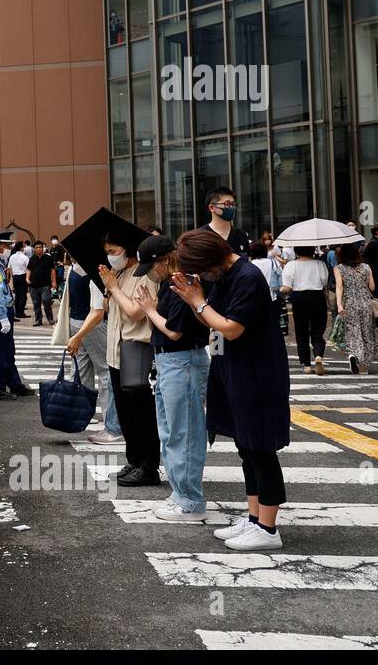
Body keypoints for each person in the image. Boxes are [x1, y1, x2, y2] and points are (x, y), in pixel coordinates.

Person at [172, 228, 291, 551]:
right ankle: (254, 519)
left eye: (198, 267)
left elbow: (230, 328)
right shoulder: (224, 275)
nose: (200, 275)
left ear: (210, 258)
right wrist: (197, 299)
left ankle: (268, 528)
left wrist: (198, 302)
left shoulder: (248, 277)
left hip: (257, 374)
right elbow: (213, 322)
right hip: (234, 370)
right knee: (246, 447)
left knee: (260, 448)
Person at [133, 235, 210, 522]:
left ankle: (190, 500)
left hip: (183, 360)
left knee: (184, 432)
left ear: (164, 260)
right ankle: (181, 494)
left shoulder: (183, 283)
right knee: (169, 432)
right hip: (170, 361)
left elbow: (175, 331)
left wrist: (150, 310)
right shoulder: (170, 284)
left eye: (152, 267)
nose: (151, 273)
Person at [99, 236, 161, 487]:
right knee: (126, 413)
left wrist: (114, 288)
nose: (110, 255)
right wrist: (109, 288)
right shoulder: (119, 273)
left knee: (142, 412)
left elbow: (137, 312)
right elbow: (108, 307)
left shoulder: (144, 274)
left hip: (136, 348)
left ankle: (148, 466)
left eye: (113, 250)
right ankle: (134, 460)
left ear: (128, 249)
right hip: (116, 351)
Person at [53, 259, 123, 445]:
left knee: (81, 372)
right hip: (92, 325)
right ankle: (112, 425)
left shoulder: (74, 269)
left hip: (77, 322)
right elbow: (99, 311)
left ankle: (81, 414)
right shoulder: (94, 272)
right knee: (106, 372)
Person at [0, 230, 34, 401]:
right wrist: (3, 317)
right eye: (7, 246)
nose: (9, 248)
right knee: (1, 351)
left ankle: (15, 384)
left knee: (7, 350)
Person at [282, 246, 329, 375]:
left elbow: (287, 286)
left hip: (299, 297)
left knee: (301, 331)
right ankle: (318, 354)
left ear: (296, 252)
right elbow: (324, 281)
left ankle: (306, 365)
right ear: (312, 250)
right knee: (318, 329)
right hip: (317, 296)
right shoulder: (320, 264)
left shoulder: (291, 265)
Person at [335, 241, 378, 374]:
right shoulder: (366, 267)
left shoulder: (339, 268)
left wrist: (339, 304)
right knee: (366, 332)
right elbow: (372, 287)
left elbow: (339, 287)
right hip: (365, 303)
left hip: (349, 303)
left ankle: (353, 354)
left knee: (353, 331)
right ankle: (364, 365)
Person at [195, 186, 252, 256]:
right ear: (212, 207)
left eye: (233, 204)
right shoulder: (200, 237)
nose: (232, 207)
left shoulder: (241, 235)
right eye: (227, 204)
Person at [26, 241, 57, 327]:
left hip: (45, 285)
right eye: (37, 247)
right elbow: (29, 270)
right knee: (36, 304)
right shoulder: (32, 259)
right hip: (34, 285)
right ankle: (38, 320)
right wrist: (27, 278)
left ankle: (50, 318)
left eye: (40, 247)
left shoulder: (48, 258)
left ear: (43, 248)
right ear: (34, 249)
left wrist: (54, 281)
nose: (39, 249)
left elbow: (53, 270)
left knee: (46, 301)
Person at [8, 241, 31, 319]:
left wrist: (9, 278)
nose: (24, 248)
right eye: (23, 246)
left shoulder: (12, 257)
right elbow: (29, 268)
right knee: (23, 295)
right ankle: (21, 312)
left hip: (15, 277)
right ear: (21, 247)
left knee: (17, 295)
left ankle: (16, 312)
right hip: (23, 276)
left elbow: (9, 268)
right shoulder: (25, 257)